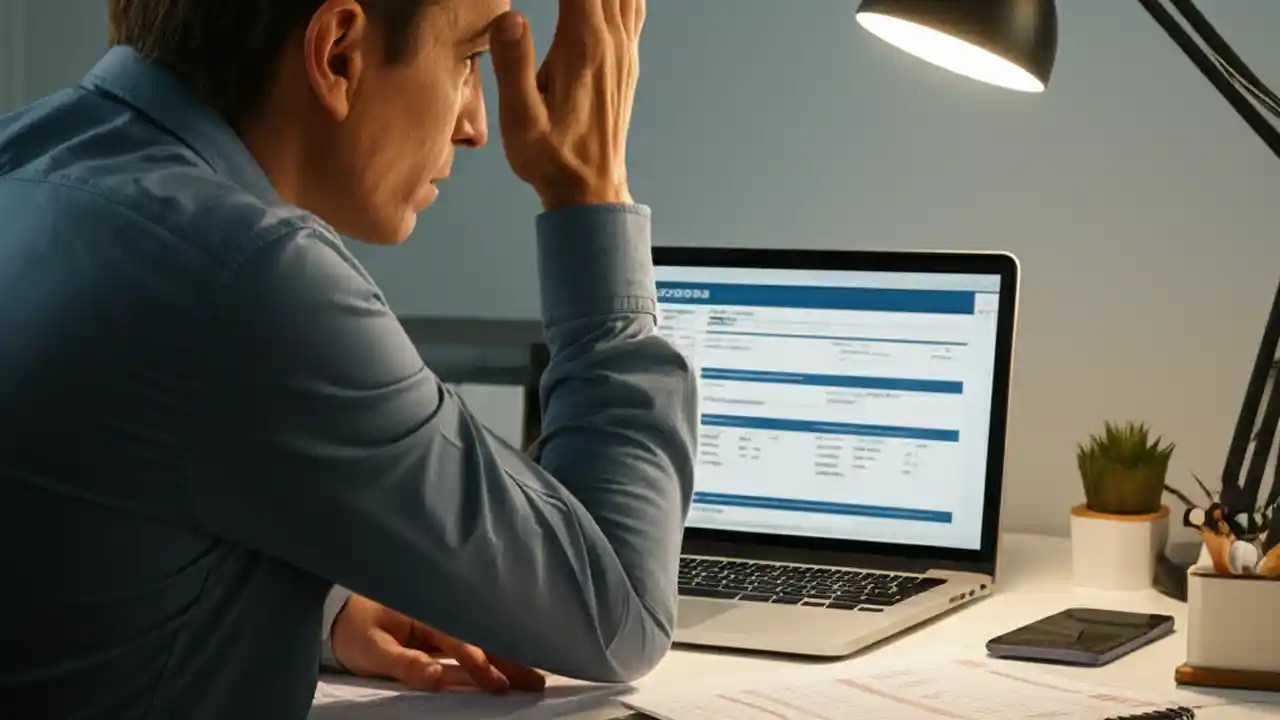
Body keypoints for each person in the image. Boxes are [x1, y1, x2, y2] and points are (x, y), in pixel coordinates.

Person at [0, 0, 697, 716]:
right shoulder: (249, 277)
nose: (478, 126)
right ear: (338, 54)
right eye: (468, 60)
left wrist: (323, 607)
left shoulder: (21, 164)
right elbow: (621, 614)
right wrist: (590, 192)